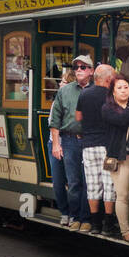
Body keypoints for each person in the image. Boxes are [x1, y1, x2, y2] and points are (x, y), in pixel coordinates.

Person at [50, 56, 93, 229]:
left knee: (89, 181)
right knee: (74, 182)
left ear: (90, 70)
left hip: (90, 140)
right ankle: (75, 217)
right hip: (69, 140)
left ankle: (87, 218)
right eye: (76, 67)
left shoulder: (98, 90)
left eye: (83, 67)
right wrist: (55, 144)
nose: (79, 70)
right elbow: (55, 120)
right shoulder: (65, 91)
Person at [102, 74, 129, 242]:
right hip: (120, 158)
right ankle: (125, 231)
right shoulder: (107, 108)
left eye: (126, 87)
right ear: (113, 92)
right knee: (122, 195)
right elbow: (122, 120)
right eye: (119, 88)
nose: (123, 91)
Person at [75, 64, 117, 235]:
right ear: (108, 79)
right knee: (109, 184)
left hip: (89, 146)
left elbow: (78, 117)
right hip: (108, 146)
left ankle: (95, 224)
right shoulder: (111, 95)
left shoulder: (84, 93)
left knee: (92, 185)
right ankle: (108, 225)